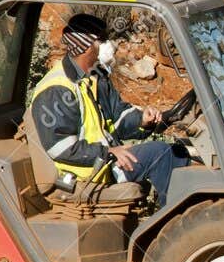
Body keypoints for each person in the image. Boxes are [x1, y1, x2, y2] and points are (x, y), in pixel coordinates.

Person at [28, 13, 189, 201]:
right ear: (85, 46)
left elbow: (118, 116)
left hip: (105, 161)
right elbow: (60, 148)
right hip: (87, 174)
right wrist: (109, 152)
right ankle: (172, 223)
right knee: (163, 154)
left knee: (178, 150)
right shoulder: (57, 89)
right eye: (101, 40)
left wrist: (142, 120)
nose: (109, 45)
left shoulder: (96, 77)